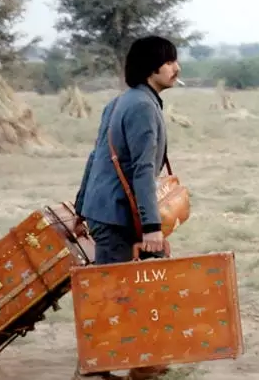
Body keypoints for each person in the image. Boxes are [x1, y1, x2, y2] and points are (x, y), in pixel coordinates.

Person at [71, 35, 181, 380]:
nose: (176, 68)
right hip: (117, 215)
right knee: (114, 293)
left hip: (105, 209)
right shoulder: (143, 107)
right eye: (170, 62)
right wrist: (152, 227)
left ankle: (145, 362)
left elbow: (95, 158)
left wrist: (80, 207)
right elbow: (142, 169)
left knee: (140, 285)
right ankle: (94, 369)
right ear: (152, 68)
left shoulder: (122, 101)